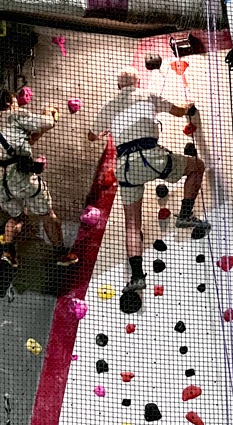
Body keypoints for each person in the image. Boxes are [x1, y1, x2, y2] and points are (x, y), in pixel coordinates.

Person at [88, 67, 209, 293]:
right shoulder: (148, 95)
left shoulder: (110, 106)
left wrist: (105, 132)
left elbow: (91, 135)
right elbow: (179, 111)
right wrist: (189, 105)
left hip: (125, 167)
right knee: (197, 167)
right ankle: (185, 214)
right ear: (138, 82)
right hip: (153, 158)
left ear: (118, 86)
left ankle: (136, 276)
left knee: (132, 225)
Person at [0, 89, 79, 268]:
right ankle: (61, 255)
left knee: (17, 217)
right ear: (8, 102)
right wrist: (50, 112)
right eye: (14, 100)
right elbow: (47, 123)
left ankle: (8, 252)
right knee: (46, 214)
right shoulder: (13, 114)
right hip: (19, 177)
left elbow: (24, 143)